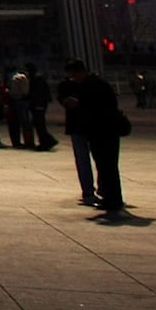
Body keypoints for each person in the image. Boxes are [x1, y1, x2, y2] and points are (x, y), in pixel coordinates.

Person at [60, 58, 126, 218]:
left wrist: (79, 105)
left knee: (107, 167)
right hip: (103, 131)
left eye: (74, 76)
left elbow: (97, 109)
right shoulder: (96, 84)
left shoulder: (92, 86)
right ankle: (110, 198)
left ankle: (113, 201)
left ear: (80, 72)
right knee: (106, 167)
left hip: (102, 131)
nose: (73, 80)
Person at [27, 62, 59, 151]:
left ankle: (46, 141)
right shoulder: (36, 79)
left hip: (38, 105)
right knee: (38, 124)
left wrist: (37, 104)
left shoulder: (36, 79)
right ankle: (46, 140)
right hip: (39, 104)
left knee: (39, 124)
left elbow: (37, 93)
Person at [7, 67, 32, 148]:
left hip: (18, 100)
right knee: (26, 123)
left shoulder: (16, 78)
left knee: (19, 122)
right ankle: (29, 141)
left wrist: (8, 92)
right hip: (25, 100)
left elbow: (14, 91)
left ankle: (21, 141)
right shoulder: (26, 78)